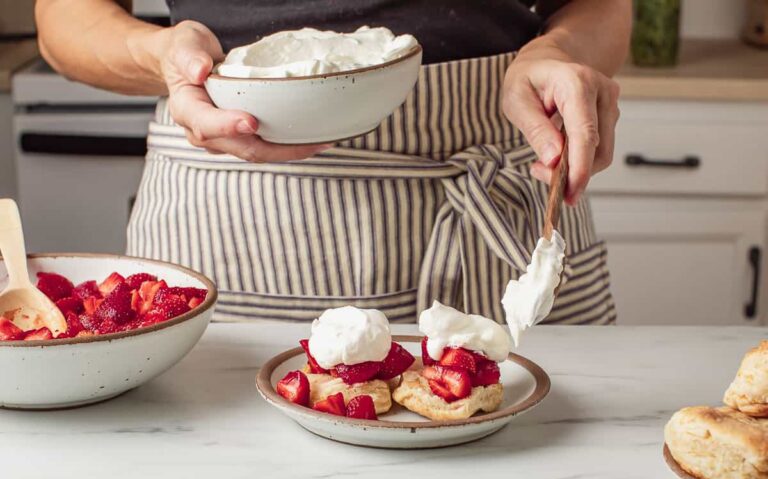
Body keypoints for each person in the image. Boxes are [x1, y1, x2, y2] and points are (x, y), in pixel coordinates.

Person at [35, 0, 630, 324]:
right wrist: (160, 54)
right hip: (237, 203)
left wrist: (558, 50)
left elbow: (602, 7)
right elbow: (63, 19)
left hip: (501, 196)